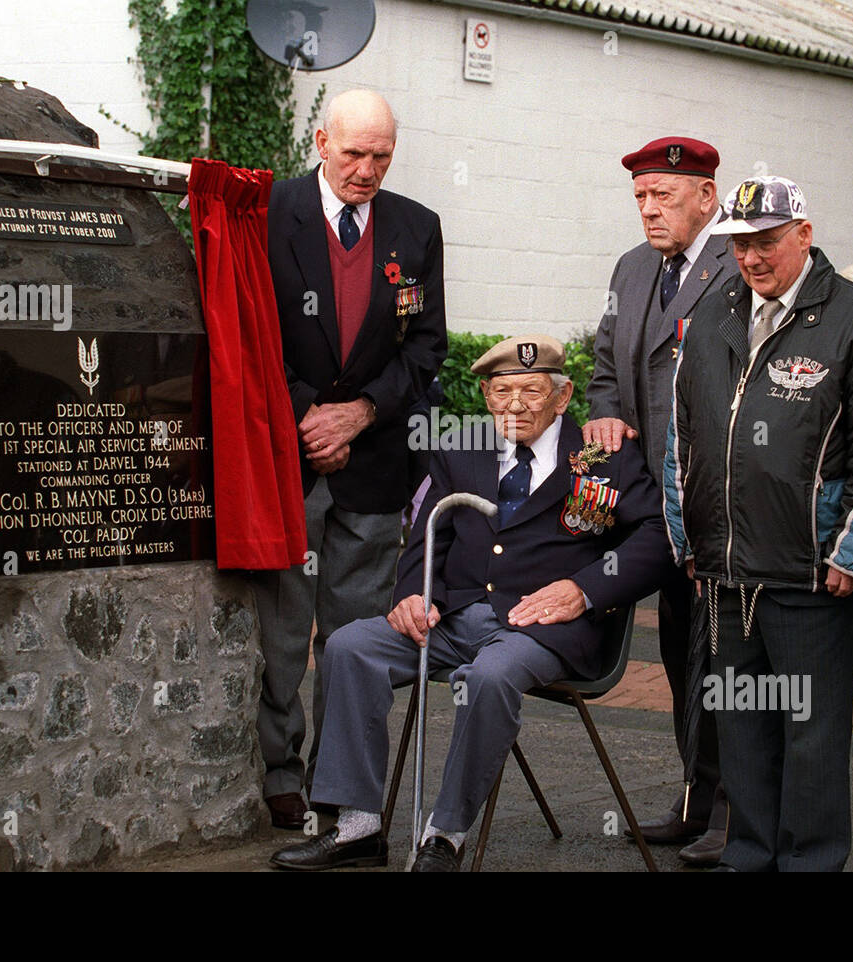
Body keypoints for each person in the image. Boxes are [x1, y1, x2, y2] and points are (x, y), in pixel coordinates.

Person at [269, 335, 672, 870]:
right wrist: (413, 595)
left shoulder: (600, 456)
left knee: (488, 676)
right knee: (349, 646)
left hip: (541, 628)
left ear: (563, 395)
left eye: (533, 390)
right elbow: (428, 538)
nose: (517, 404)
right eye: (503, 390)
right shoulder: (463, 449)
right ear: (485, 395)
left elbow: (656, 538)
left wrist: (586, 589)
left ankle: (445, 835)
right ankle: (358, 827)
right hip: (454, 617)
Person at [663, 176, 853, 871]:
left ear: (804, 233)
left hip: (812, 573)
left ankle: (811, 863)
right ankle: (750, 858)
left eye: (766, 241)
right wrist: (687, 538)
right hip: (726, 572)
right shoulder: (712, 311)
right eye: (741, 244)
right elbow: (679, 433)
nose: (752, 258)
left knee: (812, 738)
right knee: (742, 732)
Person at [258, 89, 448, 828]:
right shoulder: (271, 214)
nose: (366, 170)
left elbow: (426, 347)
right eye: (353, 154)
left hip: (373, 467)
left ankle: (335, 784)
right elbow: (247, 331)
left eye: (381, 156)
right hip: (291, 455)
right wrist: (308, 413)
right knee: (280, 629)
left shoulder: (418, 227)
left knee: (353, 638)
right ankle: (278, 770)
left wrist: (362, 411)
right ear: (320, 141)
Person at [585, 136, 735, 864]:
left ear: (706, 195)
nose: (648, 209)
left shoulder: (743, 261)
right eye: (640, 196)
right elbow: (606, 363)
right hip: (653, 506)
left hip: (722, 501)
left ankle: (737, 811)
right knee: (680, 652)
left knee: (728, 657)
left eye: (663, 197)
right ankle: (696, 795)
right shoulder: (632, 267)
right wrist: (604, 411)